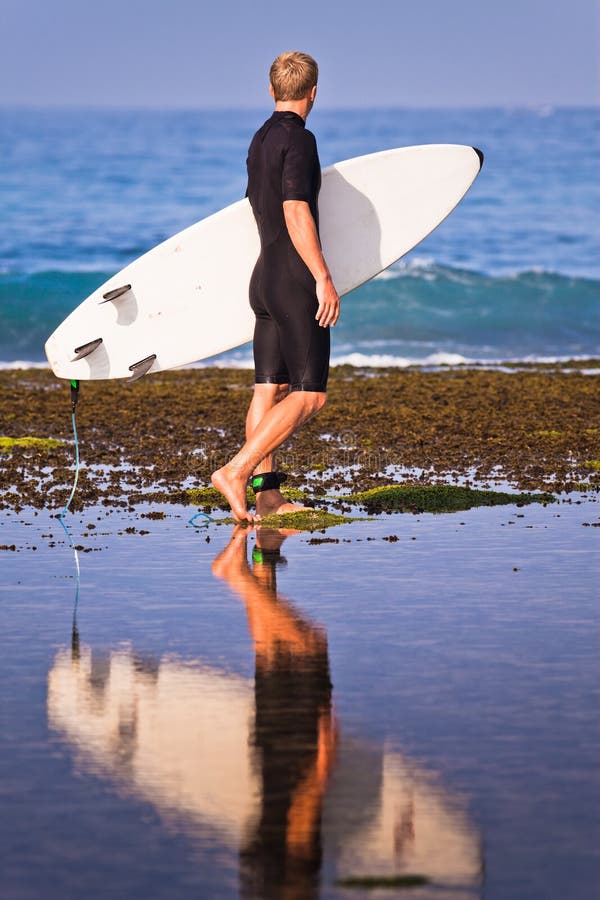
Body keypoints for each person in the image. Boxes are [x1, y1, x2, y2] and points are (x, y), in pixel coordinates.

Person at [211, 51, 340, 522]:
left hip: (263, 277)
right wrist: (323, 278)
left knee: (269, 388)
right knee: (311, 394)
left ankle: (266, 495)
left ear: (271, 91)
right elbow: (294, 208)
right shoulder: (300, 140)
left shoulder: (260, 138)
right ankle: (237, 470)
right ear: (314, 93)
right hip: (292, 280)